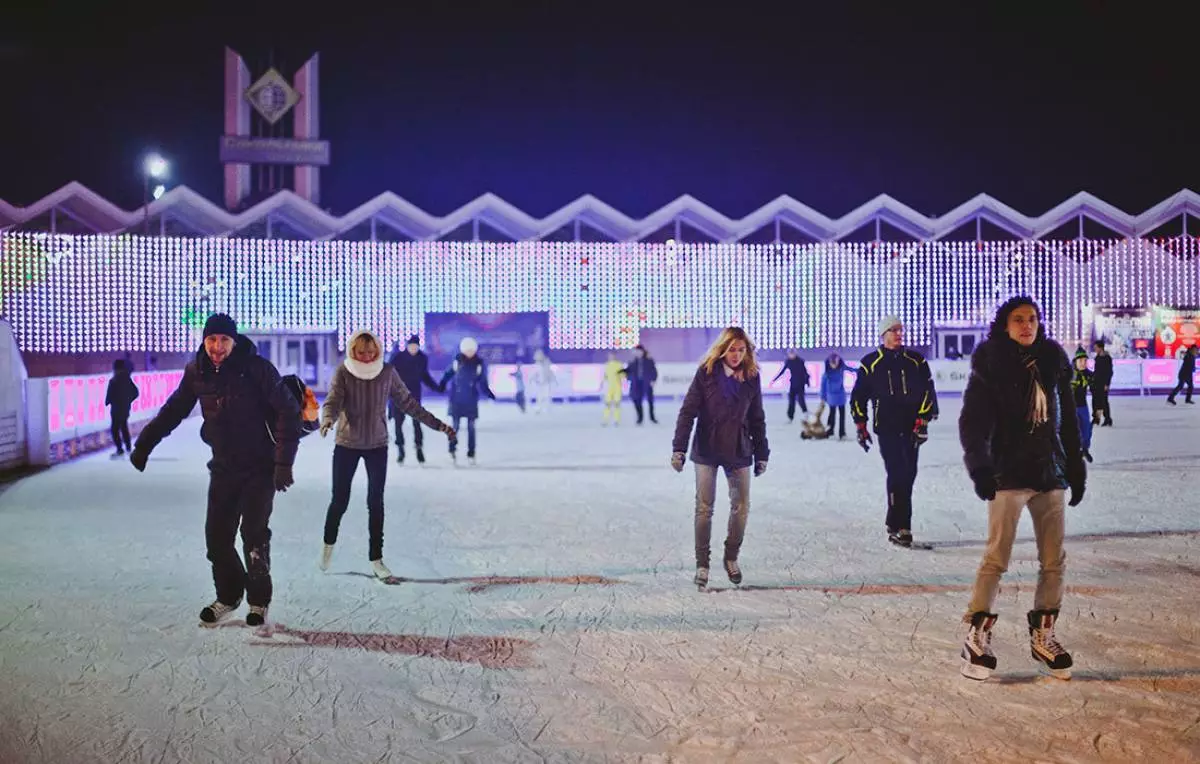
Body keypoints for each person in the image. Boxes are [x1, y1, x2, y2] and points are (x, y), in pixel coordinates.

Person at [130, 313, 301, 627]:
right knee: (217, 539)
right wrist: (145, 444)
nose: (217, 347)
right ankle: (229, 595)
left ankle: (258, 601)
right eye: (211, 339)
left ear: (234, 342)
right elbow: (174, 409)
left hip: (260, 468)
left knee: (253, 535)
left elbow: (288, 411)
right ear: (204, 340)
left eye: (224, 340)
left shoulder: (257, 369)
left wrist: (283, 463)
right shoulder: (198, 372)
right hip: (223, 468)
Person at [958, 296, 1086, 681]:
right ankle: (976, 636)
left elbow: (1065, 421)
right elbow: (973, 422)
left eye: (1032, 319)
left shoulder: (1052, 362)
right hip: (1008, 474)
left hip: (1048, 471)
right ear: (1005, 325)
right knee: (997, 556)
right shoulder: (992, 365)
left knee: (1054, 560)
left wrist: (1075, 465)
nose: (1026, 325)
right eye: (1018, 320)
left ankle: (1043, 635)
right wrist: (981, 467)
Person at [320, 330, 455, 579]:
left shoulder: (386, 372)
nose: (367, 357)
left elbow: (409, 403)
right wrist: (328, 419)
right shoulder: (344, 372)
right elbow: (333, 400)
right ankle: (328, 546)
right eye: (361, 352)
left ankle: (377, 559)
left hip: (376, 446)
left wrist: (439, 425)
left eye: (372, 352)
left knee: (375, 502)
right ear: (353, 351)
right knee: (340, 501)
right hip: (347, 444)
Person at [671, 327, 769, 588]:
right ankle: (702, 564)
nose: (736, 355)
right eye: (732, 349)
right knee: (704, 508)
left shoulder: (751, 376)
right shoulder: (706, 373)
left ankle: (731, 557)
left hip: (738, 448)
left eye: (741, 350)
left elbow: (757, 418)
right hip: (707, 448)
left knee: (742, 507)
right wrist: (679, 448)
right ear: (722, 349)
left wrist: (762, 453)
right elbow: (688, 411)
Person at [850, 316, 939, 548]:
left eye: (900, 330)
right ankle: (903, 527)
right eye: (893, 330)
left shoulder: (916, 361)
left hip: (912, 427)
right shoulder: (871, 363)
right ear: (883, 334)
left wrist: (923, 419)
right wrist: (861, 425)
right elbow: (858, 397)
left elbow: (928, 391)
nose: (899, 334)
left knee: (908, 474)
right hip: (887, 428)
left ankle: (894, 520)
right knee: (898, 473)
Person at [439, 337, 496, 464]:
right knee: (455, 427)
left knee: (471, 427)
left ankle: (471, 453)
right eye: (467, 350)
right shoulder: (457, 362)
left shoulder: (479, 364)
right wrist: (441, 385)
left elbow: (482, 382)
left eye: (472, 350)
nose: (470, 352)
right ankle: (452, 449)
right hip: (457, 399)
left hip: (471, 399)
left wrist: (489, 394)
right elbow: (447, 375)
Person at [387, 334, 440, 464]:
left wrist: (436, 387)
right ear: (407, 346)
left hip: (414, 396)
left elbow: (424, 375)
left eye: (415, 346)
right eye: (411, 346)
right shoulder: (397, 358)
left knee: (417, 422)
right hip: (398, 396)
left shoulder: (422, 358)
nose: (413, 348)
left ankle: (419, 447)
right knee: (398, 423)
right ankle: (401, 449)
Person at [105, 358, 139, 458]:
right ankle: (128, 447)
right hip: (125, 408)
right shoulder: (127, 379)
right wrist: (128, 401)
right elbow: (135, 392)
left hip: (116, 408)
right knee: (124, 426)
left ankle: (120, 449)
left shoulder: (114, 380)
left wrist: (108, 402)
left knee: (115, 429)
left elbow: (109, 395)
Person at [771, 349, 810, 422]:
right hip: (793, 383)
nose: (791, 355)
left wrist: (807, 382)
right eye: (790, 354)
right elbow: (783, 371)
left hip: (800, 383)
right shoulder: (788, 361)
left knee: (800, 399)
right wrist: (775, 379)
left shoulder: (800, 361)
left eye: (792, 354)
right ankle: (790, 417)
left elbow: (805, 372)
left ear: (795, 354)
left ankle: (805, 412)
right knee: (791, 401)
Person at [624, 344, 659, 424]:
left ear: (643, 351)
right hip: (636, 384)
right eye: (636, 351)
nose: (638, 353)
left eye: (639, 351)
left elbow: (654, 371)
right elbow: (628, 371)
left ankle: (652, 417)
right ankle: (640, 417)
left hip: (646, 383)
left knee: (650, 400)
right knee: (636, 399)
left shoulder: (649, 360)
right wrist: (626, 375)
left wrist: (653, 380)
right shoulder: (633, 361)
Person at [1071, 347, 1095, 462]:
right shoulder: (1069, 374)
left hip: (1083, 406)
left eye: (1085, 361)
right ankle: (1074, 452)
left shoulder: (1089, 375)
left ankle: (1085, 449)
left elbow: (1097, 390)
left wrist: (1098, 407)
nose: (1083, 363)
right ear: (1075, 361)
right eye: (1080, 361)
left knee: (1086, 430)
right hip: (1070, 407)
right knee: (1073, 431)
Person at [820, 353, 850, 439]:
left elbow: (852, 369)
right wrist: (823, 398)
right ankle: (830, 431)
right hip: (832, 397)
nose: (834, 365)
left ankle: (842, 433)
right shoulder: (827, 374)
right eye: (832, 363)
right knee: (832, 414)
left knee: (842, 415)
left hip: (840, 396)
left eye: (835, 363)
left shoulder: (841, 368)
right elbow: (823, 386)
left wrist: (862, 370)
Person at [1091, 340, 1113, 426]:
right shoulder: (1097, 357)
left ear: (1100, 348)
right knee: (1095, 401)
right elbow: (1096, 371)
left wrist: (1107, 384)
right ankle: (1096, 418)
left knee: (1104, 401)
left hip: (1103, 383)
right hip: (1096, 383)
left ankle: (1107, 418)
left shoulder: (1107, 358)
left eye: (1096, 348)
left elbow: (1109, 372)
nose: (1095, 349)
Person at [530, 348, 556, 414]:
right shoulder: (537, 364)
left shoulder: (547, 362)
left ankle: (546, 409)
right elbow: (535, 373)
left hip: (546, 382)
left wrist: (553, 379)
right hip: (539, 383)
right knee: (539, 397)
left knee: (546, 396)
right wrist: (533, 379)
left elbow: (549, 372)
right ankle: (538, 408)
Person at [602, 352, 624, 425]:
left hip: (617, 387)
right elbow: (605, 376)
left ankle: (616, 420)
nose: (611, 357)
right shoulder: (607, 365)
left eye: (612, 356)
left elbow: (622, 376)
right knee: (607, 404)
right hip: (609, 388)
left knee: (617, 404)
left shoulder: (619, 365)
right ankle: (605, 419)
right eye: (610, 356)